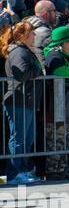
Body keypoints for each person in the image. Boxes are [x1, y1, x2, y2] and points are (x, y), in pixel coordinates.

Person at [2, 22, 40, 184]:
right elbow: (22, 74)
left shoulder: (24, 50)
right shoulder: (18, 52)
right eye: (32, 33)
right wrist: (37, 70)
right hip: (19, 100)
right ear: (23, 35)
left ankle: (22, 170)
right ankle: (15, 172)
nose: (35, 35)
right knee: (18, 138)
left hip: (27, 99)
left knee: (27, 138)